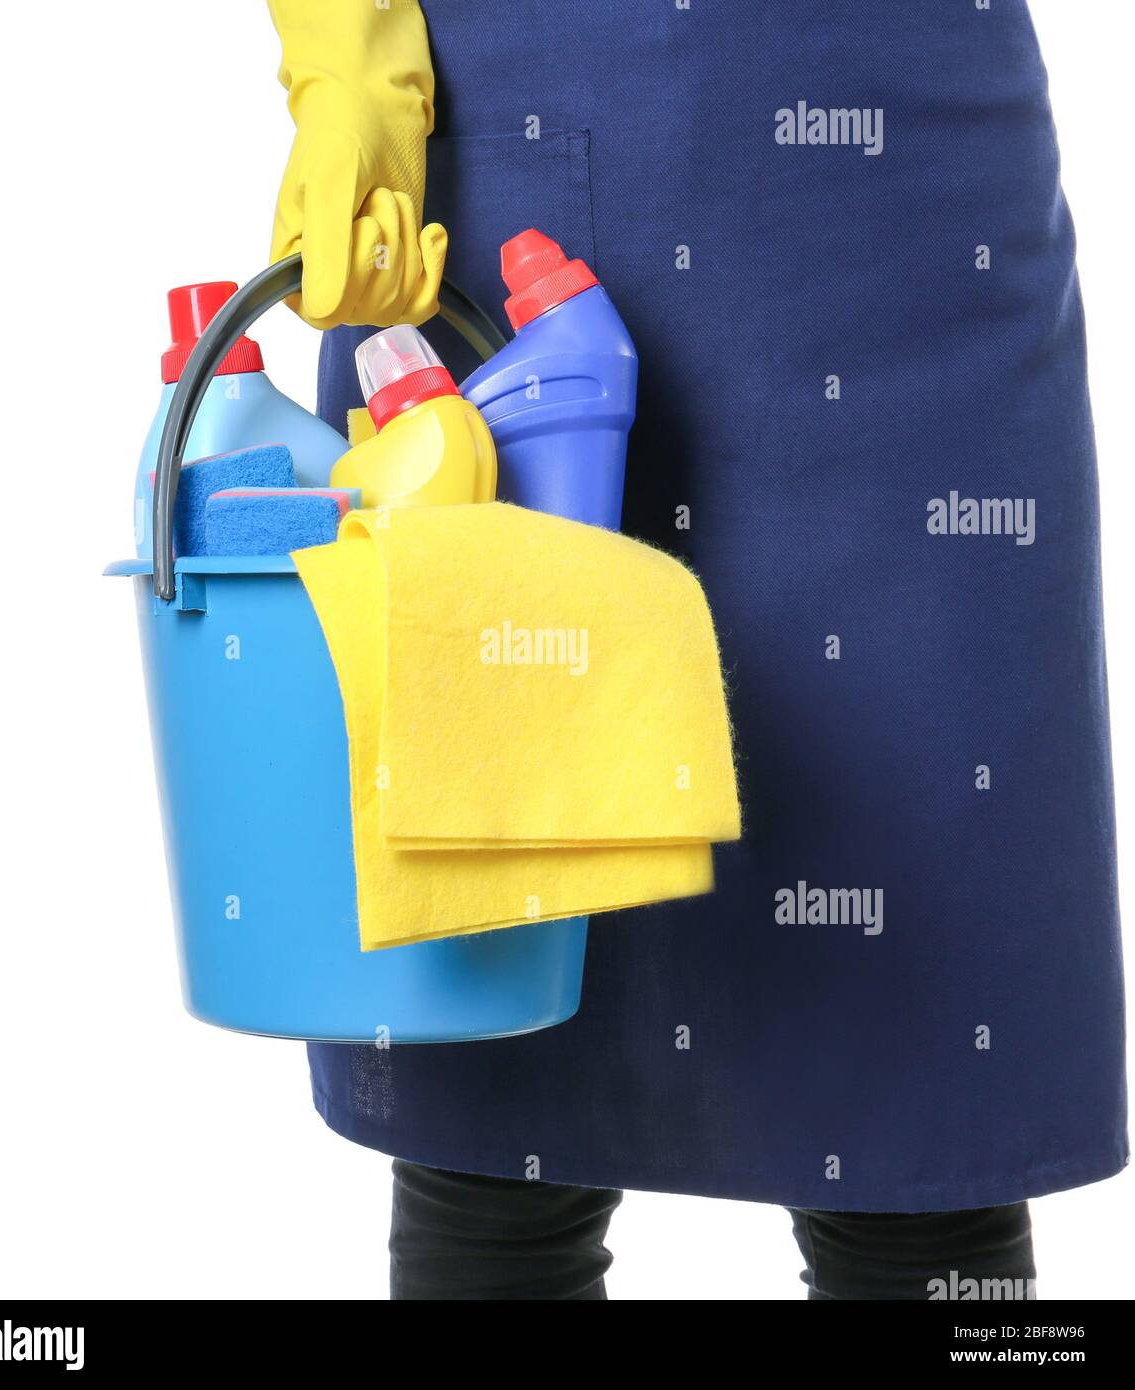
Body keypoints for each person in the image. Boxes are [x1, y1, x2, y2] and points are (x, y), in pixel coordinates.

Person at [266, 0, 1127, 1300]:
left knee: (924, 1117)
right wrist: (347, 60)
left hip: (902, 217)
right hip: (508, 161)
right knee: (488, 1101)